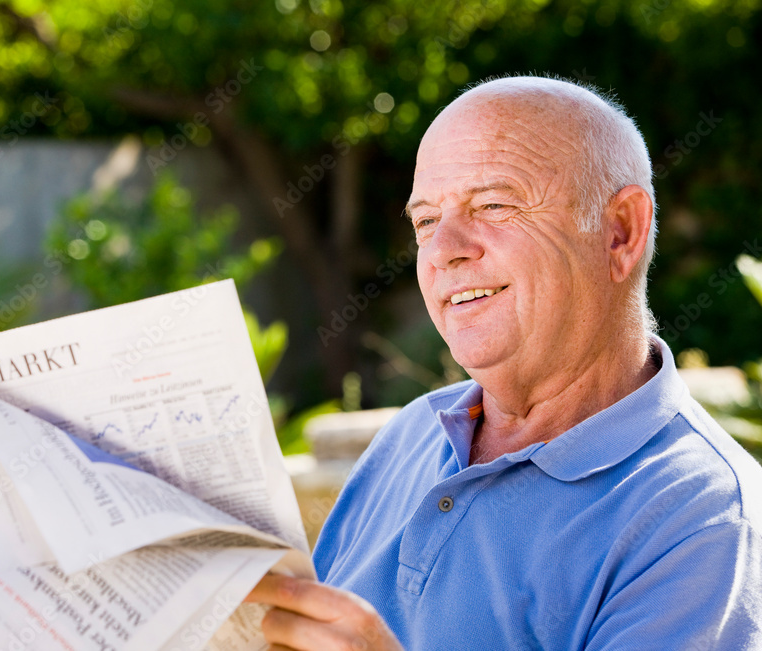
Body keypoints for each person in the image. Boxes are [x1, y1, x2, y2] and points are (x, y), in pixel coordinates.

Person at [246, 75, 762, 650]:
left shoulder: (705, 521)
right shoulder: (411, 435)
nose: (443, 251)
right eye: (424, 222)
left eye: (492, 205)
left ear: (619, 233)